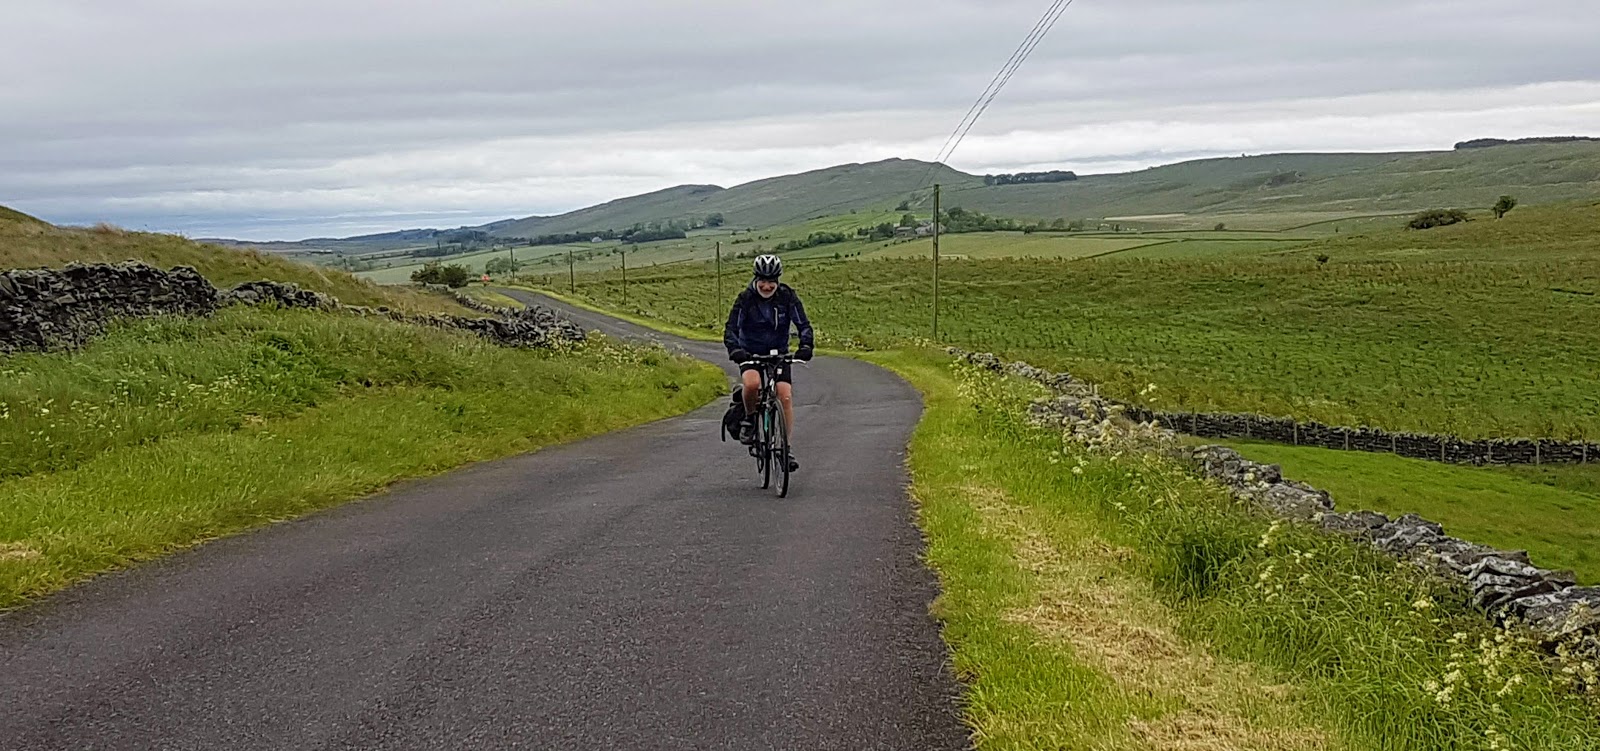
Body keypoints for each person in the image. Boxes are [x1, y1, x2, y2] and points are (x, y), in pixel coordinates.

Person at [724, 254, 813, 471]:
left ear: (778, 280)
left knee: (784, 394)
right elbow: (731, 329)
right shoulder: (745, 298)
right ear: (756, 279)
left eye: (771, 281)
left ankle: (785, 448)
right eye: (762, 280)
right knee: (753, 384)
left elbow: (803, 324)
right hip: (749, 352)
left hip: (778, 353)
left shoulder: (787, 297)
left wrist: (806, 345)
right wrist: (735, 349)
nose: (767, 285)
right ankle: (751, 420)